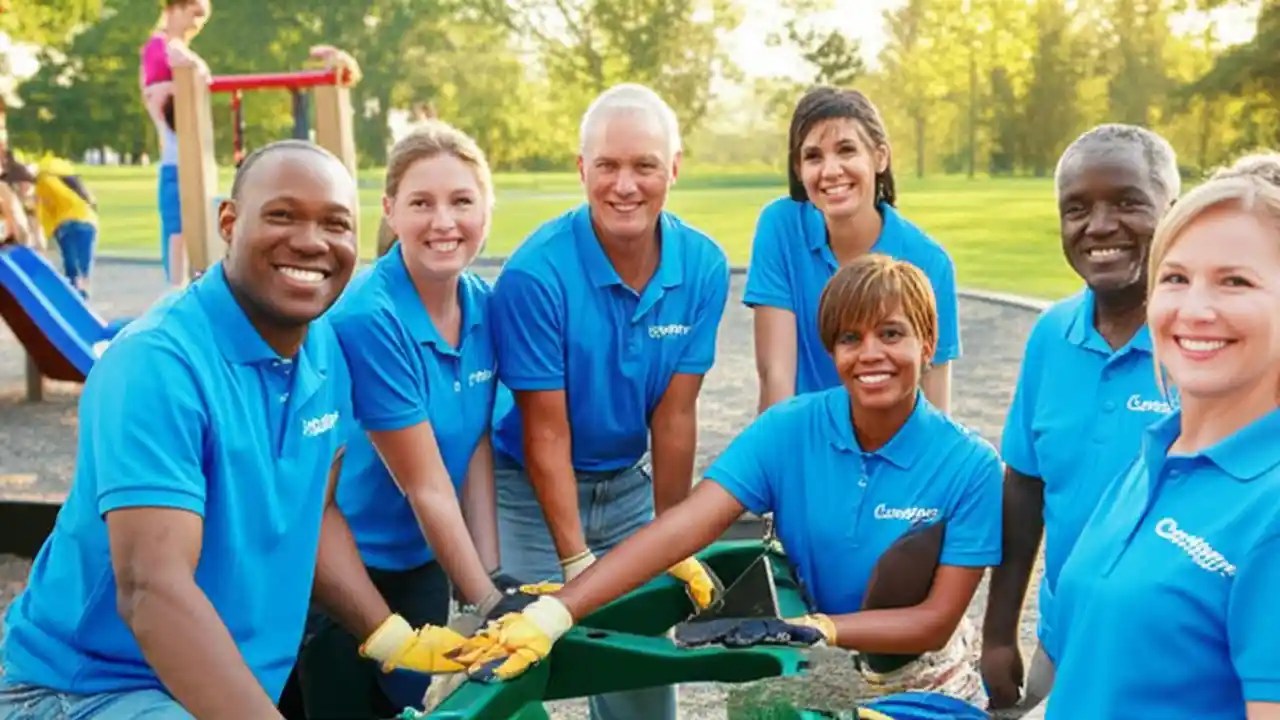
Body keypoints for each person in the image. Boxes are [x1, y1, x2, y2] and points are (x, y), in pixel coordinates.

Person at [0, 140, 469, 719]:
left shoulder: (322, 346)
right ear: (229, 220)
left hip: (221, 685)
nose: (310, 240)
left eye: (335, 223)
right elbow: (153, 591)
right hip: (87, 688)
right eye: (282, 214)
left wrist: (390, 639)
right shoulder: (156, 364)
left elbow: (314, 513)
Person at [458, 255, 1004, 707]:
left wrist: (821, 627)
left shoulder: (970, 464)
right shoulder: (790, 432)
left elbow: (934, 622)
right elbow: (680, 529)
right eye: (849, 338)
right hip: (832, 658)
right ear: (832, 351)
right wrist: (559, 610)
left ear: (927, 342)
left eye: (892, 334)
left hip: (928, 680)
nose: (870, 355)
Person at [487, 82, 731, 720]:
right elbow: (546, 433)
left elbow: (675, 417)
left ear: (673, 169)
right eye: (608, 166)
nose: (626, 184)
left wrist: (671, 537)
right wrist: (577, 564)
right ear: (582, 169)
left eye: (645, 165)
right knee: (513, 665)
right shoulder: (535, 274)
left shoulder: (703, 265)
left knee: (638, 674)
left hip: (628, 487)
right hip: (528, 494)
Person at [298, 121, 533, 718]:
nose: (443, 222)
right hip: (338, 573)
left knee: (420, 708)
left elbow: (476, 447)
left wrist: (490, 576)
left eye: (461, 201)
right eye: (421, 203)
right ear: (390, 211)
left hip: (421, 562)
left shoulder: (483, 304)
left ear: (487, 208)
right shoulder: (370, 316)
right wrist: (485, 600)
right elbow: (424, 483)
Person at [1044, 172, 1280, 718]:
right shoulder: (1160, 452)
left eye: (1235, 282)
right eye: (1175, 278)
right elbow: (1091, 681)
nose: (1195, 309)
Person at [980, 124, 1181, 716]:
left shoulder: (1201, 339)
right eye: (1076, 208)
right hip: (1063, 646)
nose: (1098, 226)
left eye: (1127, 202)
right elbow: (1025, 486)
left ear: (1173, 211)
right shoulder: (1050, 334)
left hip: (1172, 661)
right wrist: (998, 633)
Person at [746, 86, 961, 414]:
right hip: (806, 441)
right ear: (798, 169)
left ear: (879, 157)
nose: (830, 170)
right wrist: (780, 462)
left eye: (846, 150)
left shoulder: (930, 263)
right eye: (813, 156)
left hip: (893, 452)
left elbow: (934, 406)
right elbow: (776, 379)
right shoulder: (781, 227)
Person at [139, 0, 212, 287]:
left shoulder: (174, 50)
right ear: (174, 8)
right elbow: (181, 63)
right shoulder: (159, 47)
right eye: (194, 14)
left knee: (194, 227)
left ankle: (186, 286)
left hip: (189, 158)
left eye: (202, 18)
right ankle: (176, 289)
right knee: (178, 229)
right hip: (176, 161)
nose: (197, 23)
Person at [31, 155, 99, 298]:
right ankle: (82, 293)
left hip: (66, 225)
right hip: (88, 222)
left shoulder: (42, 182)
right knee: (84, 265)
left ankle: (76, 293)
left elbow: (42, 217)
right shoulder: (74, 184)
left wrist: (44, 242)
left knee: (72, 266)